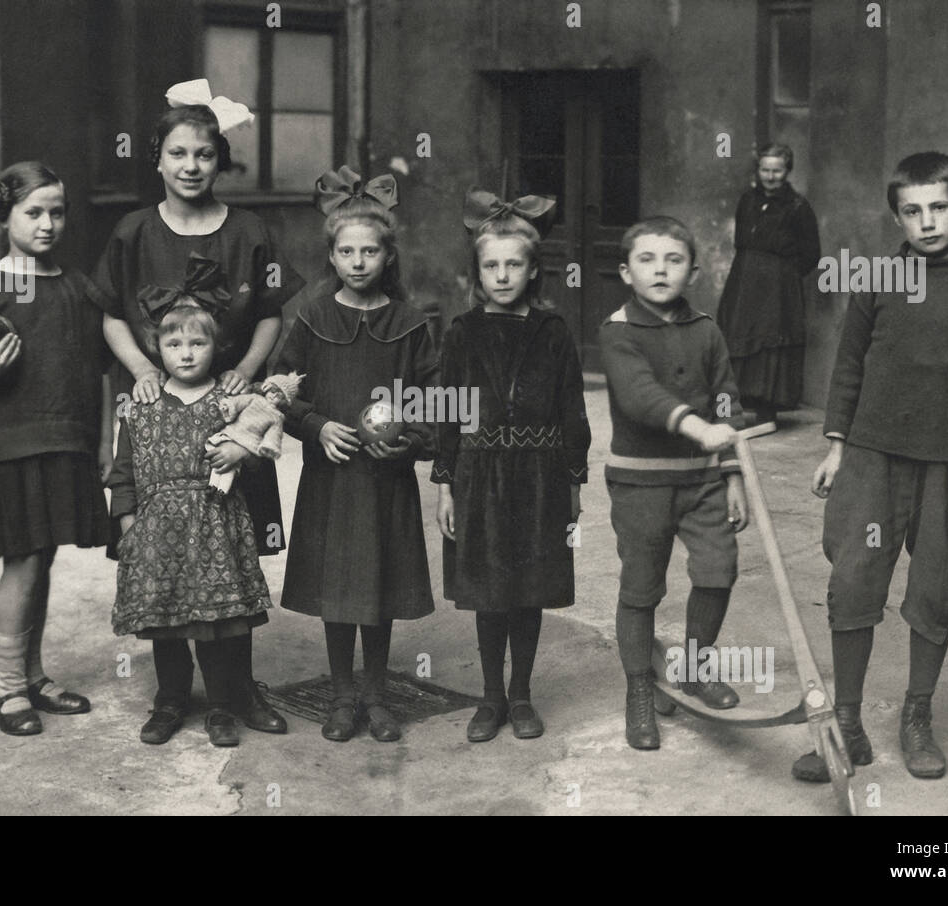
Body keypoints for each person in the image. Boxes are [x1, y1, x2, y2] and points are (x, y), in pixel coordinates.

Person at [792, 152, 948, 782]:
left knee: (935, 588)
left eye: (939, 208)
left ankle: (917, 717)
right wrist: (837, 446)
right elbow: (848, 367)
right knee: (855, 581)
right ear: (897, 214)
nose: (926, 222)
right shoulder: (876, 279)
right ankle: (846, 724)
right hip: (873, 456)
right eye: (912, 211)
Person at [94, 80, 300, 735]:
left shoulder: (249, 231)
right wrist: (142, 370)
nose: (190, 166)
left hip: (227, 411)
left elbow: (270, 313)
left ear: (219, 161)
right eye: (177, 153)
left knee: (229, 559)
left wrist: (243, 368)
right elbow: (108, 315)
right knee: (165, 563)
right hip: (161, 414)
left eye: (204, 154)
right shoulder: (133, 232)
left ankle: (236, 693)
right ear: (156, 158)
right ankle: (170, 696)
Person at [0, 162, 111, 736]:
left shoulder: (80, 287)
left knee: (45, 557)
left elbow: (99, 371)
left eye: (57, 211)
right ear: (3, 217)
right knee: (25, 560)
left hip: (65, 440)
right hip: (3, 444)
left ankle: (30, 675)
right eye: (33, 212)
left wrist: (103, 442)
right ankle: (7, 689)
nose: (48, 223)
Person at [275, 166, 437, 743]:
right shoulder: (313, 318)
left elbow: (431, 399)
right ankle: (341, 696)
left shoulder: (411, 324)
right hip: (333, 476)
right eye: (347, 252)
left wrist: (409, 440)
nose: (359, 262)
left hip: (386, 478)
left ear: (388, 257)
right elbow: (280, 390)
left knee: (380, 584)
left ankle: (377, 694)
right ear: (333, 256)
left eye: (370, 251)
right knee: (337, 585)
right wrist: (316, 427)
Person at [432, 189, 590, 742]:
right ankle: (491, 697)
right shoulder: (462, 332)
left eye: (513, 264)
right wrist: (445, 482)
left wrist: (574, 480)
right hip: (480, 476)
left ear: (532, 269)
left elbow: (573, 408)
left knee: (529, 585)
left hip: (540, 478)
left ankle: (522, 693)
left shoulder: (553, 333)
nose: (502, 275)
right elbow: (446, 411)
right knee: (491, 589)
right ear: (477, 271)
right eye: (491, 265)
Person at [109, 257, 276, 747]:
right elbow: (123, 474)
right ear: (155, 347)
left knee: (218, 624)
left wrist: (241, 449)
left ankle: (223, 705)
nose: (185, 354)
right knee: (167, 622)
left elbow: (265, 446)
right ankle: (170, 701)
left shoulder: (228, 401)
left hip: (216, 526)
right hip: (158, 532)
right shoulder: (139, 406)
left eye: (197, 343)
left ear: (217, 345)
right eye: (173, 343)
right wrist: (129, 531)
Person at [599, 216, 751, 750]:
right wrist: (696, 426)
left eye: (673, 260)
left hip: (704, 479)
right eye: (647, 260)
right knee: (642, 587)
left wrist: (733, 473)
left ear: (692, 270)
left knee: (718, 570)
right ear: (626, 271)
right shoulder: (618, 330)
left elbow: (726, 399)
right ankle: (640, 687)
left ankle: (695, 667)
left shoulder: (707, 329)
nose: (660, 270)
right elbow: (640, 395)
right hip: (641, 483)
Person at [716, 142, 820, 428]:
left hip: (777, 288)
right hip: (744, 279)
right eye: (765, 170)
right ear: (758, 170)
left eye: (777, 170)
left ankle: (766, 411)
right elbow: (742, 240)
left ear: (787, 171)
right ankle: (733, 408)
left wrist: (782, 276)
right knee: (737, 334)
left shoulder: (798, 207)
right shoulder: (747, 201)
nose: (770, 176)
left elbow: (812, 254)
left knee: (770, 342)